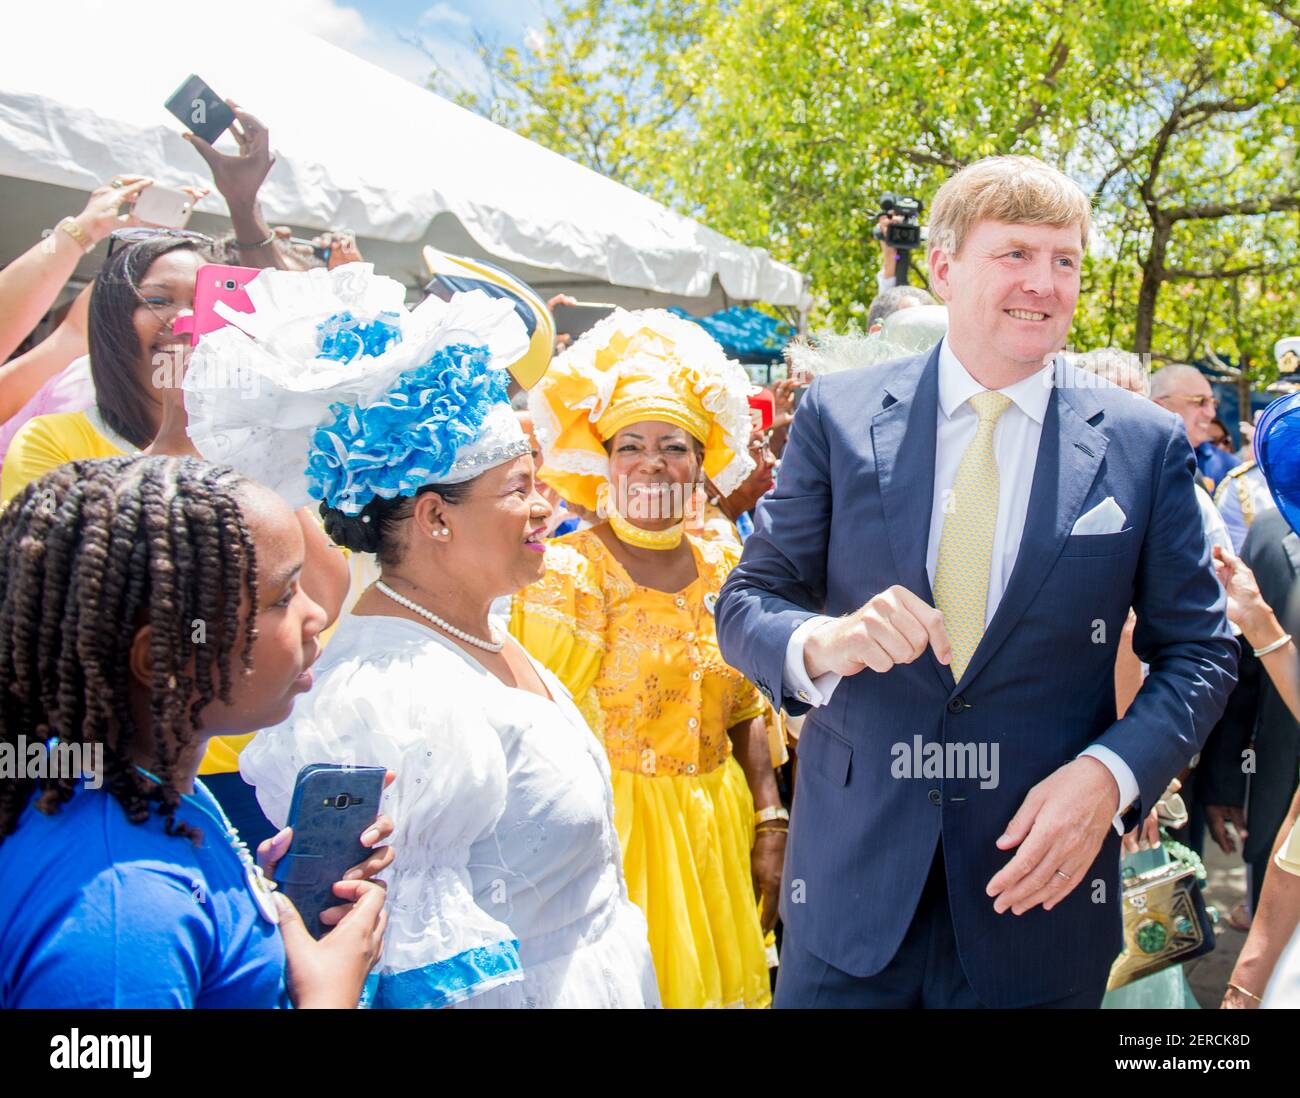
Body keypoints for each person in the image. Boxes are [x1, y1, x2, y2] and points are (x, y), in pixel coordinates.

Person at [715, 154, 1238, 1008]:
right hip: (849, 906)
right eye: (1017, 254)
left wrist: (1109, 776)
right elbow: (744, 604)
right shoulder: (839, 417)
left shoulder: (1143, 446)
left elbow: (1202, 652)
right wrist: (824, 640)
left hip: (1041, 902)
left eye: (1064, 260)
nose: (1045, 282)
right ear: (945, 266)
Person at [187, 266, 658, 1008]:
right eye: (519, 488)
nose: (547, 509)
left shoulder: (479, 630)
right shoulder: (390, 695)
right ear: (436, 519)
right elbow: (410, 964)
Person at [0, 456, 389, 1008]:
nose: (318, 614)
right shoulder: (126, 908)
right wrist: (328, 999)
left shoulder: (115, 772)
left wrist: (253, 899)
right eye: (283, 597)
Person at [512, 309, 781, 1009]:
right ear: (604, 460)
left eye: (673, 444)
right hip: (612, 830)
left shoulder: (728, 559)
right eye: (630, 444)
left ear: (702, 461)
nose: (652, 461)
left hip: (717, 825)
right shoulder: (570, 572)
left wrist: (770, 817)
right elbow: (540, 731)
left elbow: (749, 702)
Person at [1150, 364, 1234, 489]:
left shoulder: (1228, 466)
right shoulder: (1130, 463)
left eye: (1213, 402)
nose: (1211, 413)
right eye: (1200, 401)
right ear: (1160, 407)